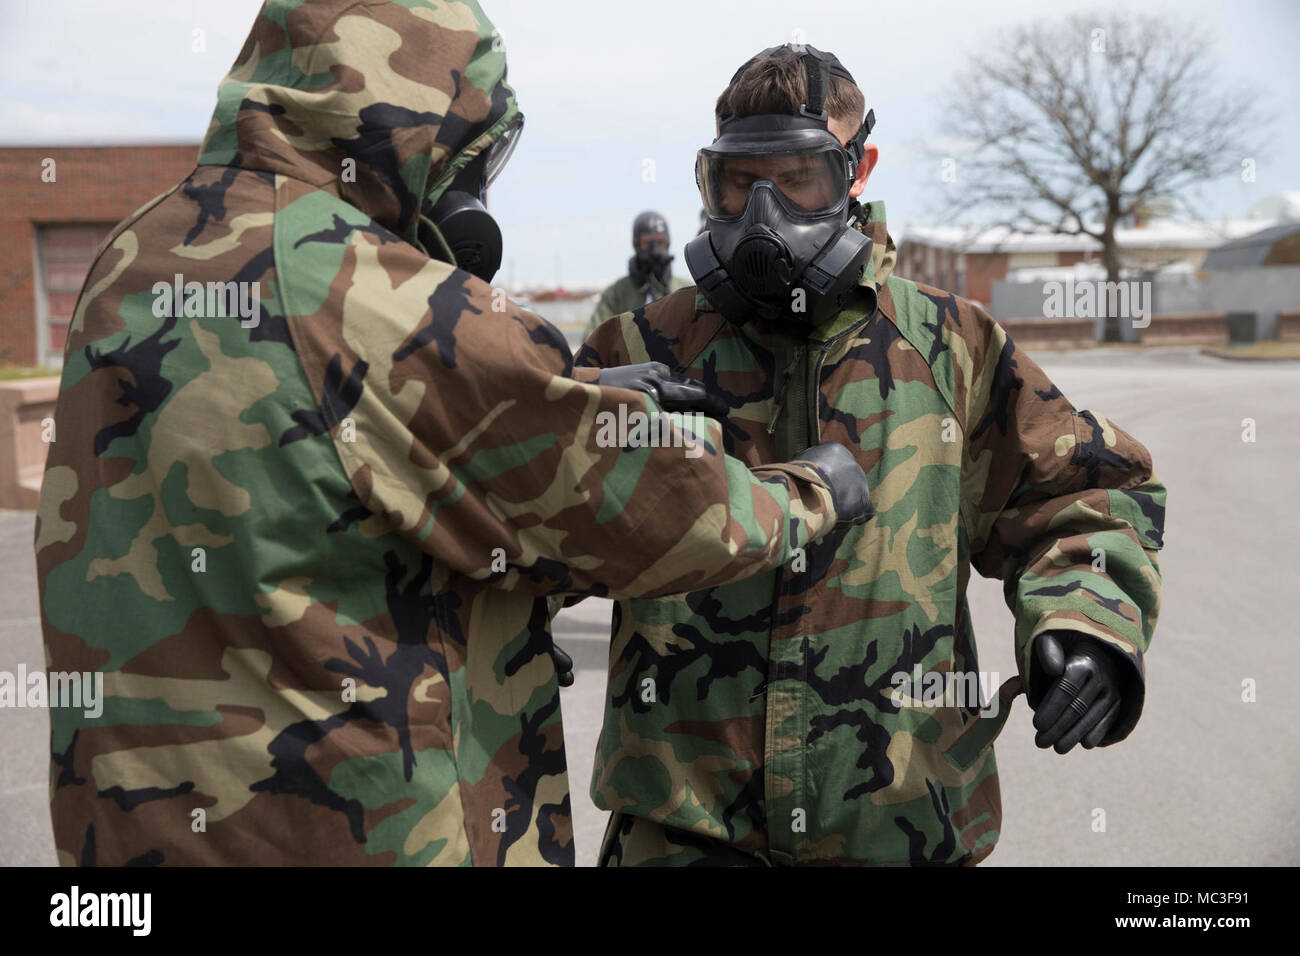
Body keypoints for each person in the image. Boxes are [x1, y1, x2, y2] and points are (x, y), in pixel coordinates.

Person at [32, 7, 874, 867]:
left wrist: (561, 396)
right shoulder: (392, 294)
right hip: (353, 827)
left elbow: (313, 459)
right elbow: (648, 514)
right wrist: (807, 490)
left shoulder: (131, 254)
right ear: (418, 127)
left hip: (129, 838)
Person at [576, 44, 1167, 866]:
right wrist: (583, 427)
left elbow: (1085, 499)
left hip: (903, 831)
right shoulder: (643, 345)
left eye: (799, 179)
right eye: (740, 184)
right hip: (683, 836)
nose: (763, 216)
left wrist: (1086, 621)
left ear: (859, 169)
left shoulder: (952, 344)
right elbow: (530, 544)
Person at [584, 211, 692, 338]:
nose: (655, 250)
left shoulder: (688, 291)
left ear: (668, 243)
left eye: (660, 242)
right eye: (647, 243)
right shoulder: (617, 293)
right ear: (636, 244)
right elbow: (592, 340)